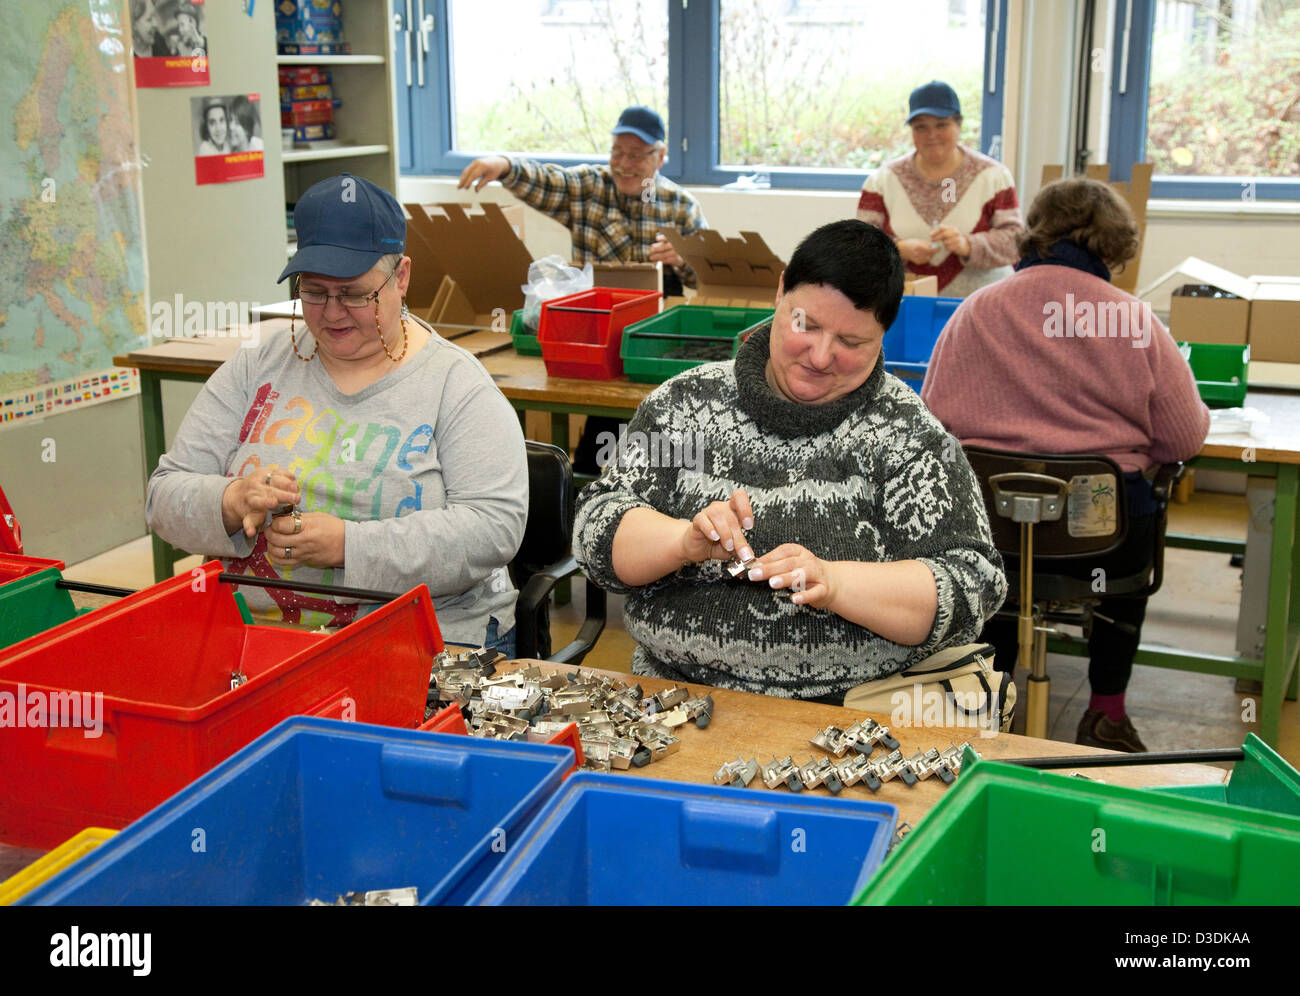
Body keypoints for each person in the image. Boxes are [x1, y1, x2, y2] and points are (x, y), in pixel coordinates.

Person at [573, 220, 1006, 699]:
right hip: (674, 698)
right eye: (808, 325)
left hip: (852, 718)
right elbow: (595, 531)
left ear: (884, 333)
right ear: (780, 291)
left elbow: (972, 584)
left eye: (851, 342)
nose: (821, 356)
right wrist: (683, 540)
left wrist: (835, 583)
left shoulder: (906, 434)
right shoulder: (685, 405)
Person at [146, 174, 529, 654]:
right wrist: (232, 500)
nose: (331, 313)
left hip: (421, 642)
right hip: (251, 641)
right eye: (313, 291)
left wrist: (350, 545)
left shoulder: (456, 384)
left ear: (402, 277)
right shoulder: (256, 366)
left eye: (353, 294)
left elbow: (494, 528)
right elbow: (163, 497)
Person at [920, 176, 1211, 751]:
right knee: (1131, 533)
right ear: (1112, 249)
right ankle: (1106, 713)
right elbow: (1183, 440)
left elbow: (931, 426)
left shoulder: (976, 311)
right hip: (1100, 540)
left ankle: (984, 706)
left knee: (995, 564)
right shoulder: (1133, 319)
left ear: (1036, 235)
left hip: (994, 534)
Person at [460, 105, 708, 472]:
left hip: (648, 347)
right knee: (593, 458)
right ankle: (580, 492)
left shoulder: (681, 206)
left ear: (661, 156)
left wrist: (680, 259)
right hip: (594, 337)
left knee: (664, 447)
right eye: (617, 153)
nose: (624, 164)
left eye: (637, 155)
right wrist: (504, 166)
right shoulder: (588, 189)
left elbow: (706, 278)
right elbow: (544, 180)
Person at [857, 81, 1023, 298]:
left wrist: (968, 245)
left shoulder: (993, 177)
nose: (931, 135)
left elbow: (1015, 241)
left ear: (959, 125)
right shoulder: (883, 181)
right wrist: (899, 250)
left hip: (982, 305)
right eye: (921, 127)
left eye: (941, 125)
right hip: (908, 307)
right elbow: (860, 245)